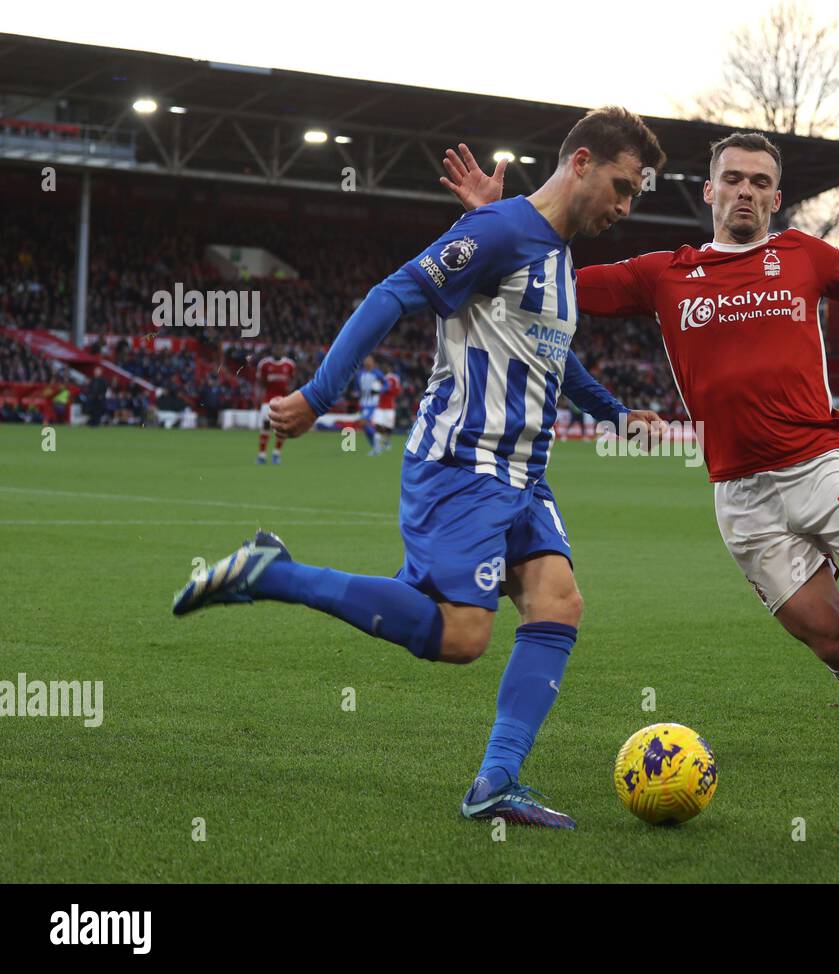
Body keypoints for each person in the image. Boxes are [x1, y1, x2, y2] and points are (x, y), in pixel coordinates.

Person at [444, 133, 839, 777]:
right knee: (835, 643)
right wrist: (487, 220)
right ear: (710, 191)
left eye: (759, 182)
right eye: (733, 179)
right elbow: (543, 284)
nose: (745, 191)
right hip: (741, 496)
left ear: (776, 198)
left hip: (820, 464)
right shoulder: (663, 273)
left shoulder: (802, 256)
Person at [173, 107, 667, 827]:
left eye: (636, 197)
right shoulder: (500, 232)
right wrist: (317, 394)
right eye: (621, 187)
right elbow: (391, 294)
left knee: (558, 602)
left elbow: (550, 357)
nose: (625, 208)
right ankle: (268, 572)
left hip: (523, 472)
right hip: (463, 464)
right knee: (463, 637)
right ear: (582, 161)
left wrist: (617, 414)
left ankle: (494, 783)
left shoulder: (552, 251)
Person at [255, 346, 295, 464]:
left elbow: (293, 380)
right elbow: (260, 383)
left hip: (283, 401)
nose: (278, 351)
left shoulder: (289, 364)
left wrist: (291, 391)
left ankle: (276, 454)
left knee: (282, 428)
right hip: (268, 401)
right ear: (272, 351)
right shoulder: (264, 364)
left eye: (280, 349)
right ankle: (262, 455)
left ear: (283, 351)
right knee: (266, 426)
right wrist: (258, 399)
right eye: (276, 349)